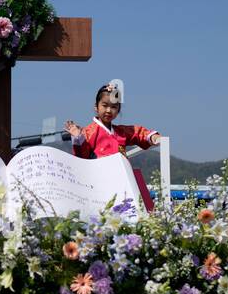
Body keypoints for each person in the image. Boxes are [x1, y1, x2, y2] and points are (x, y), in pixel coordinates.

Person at [64, 82, 162, 210]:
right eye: (105, 105)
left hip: (122, 179)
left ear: (118, 110)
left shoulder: (121, 131)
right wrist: (78, 137)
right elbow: (82, 156)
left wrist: (152, 137)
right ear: (96, 106)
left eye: (114, 107)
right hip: (100, 181)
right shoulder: (88, 132)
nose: (109, 110)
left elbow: (137, 132)